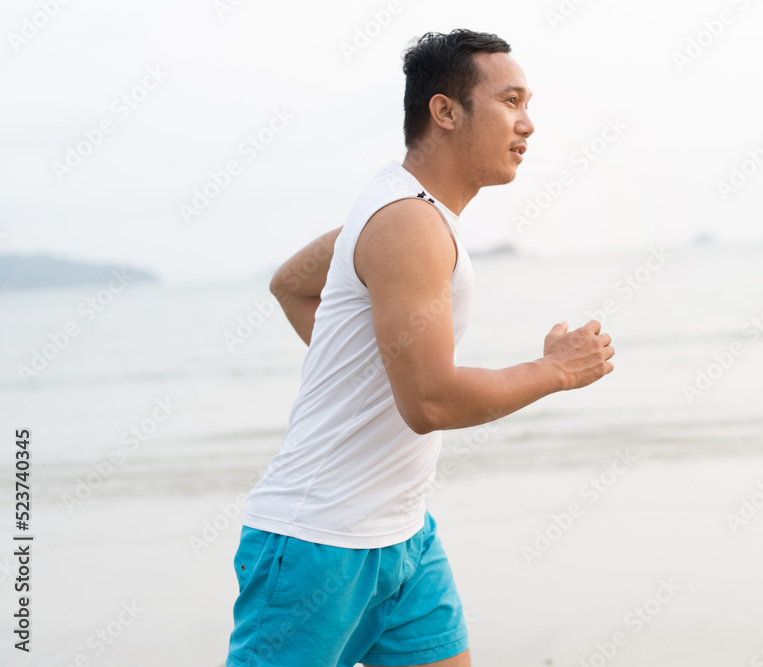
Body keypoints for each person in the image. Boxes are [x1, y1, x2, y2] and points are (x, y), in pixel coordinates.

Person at [226, 28, 615, 667]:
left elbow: (291, 287)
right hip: (318, 543)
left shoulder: (400, 211)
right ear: (445, 111)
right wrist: (555, 371)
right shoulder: (407, 222)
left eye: (529, 104)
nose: (529, 124)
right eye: (511, 102)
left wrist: (367, 364)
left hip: (404, 537)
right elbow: (429, 402)